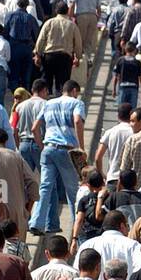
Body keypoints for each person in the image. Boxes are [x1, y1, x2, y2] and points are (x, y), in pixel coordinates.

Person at [28, 79, 85, 235]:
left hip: (48, 148)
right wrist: (81, 148)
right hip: (67, 149)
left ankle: (36, 222)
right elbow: (78, 120)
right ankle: (77, 227)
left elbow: (34, 128)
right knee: (72, 190)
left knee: (45, 187)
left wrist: (42, 146)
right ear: (74, 91)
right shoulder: (76, 103)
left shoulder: (49, 103)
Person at [0, 126, 39, 241]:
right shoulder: (16, 157)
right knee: (16, 253)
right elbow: (33, 182)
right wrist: (27, 209)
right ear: (6, 141)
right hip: (16, 212)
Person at [34, 5, 82, 95]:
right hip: (65, 57)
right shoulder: (72, 25)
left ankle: (46, 99)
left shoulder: (49, 22)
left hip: (49, 56)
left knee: (46, 81)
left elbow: (41, 39)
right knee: (62, 84)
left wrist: (37, 54)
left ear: (56, 11)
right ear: (67, 11)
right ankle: (60, 102)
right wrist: (78, 57)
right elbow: (78, 43)